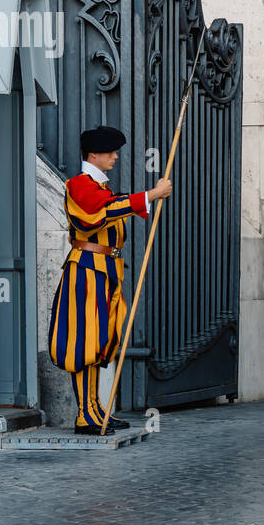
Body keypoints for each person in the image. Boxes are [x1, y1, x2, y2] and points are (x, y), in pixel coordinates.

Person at [47, 125, 173, 434]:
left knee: (101, 339)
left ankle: (96, 409)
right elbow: (97, 214)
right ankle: (84, 414)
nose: (116, 157)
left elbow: (112, 206)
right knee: (84, 341)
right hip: (87, 269)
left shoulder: (101, 186)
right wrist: (150, 196)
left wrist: (146, 201)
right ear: (94, 155)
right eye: (111, 152)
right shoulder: (79, 185)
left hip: (105, 269)